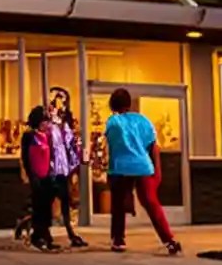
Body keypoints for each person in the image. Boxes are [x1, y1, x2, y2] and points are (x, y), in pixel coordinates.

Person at [104, 88, 182, 255]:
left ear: (112, 105)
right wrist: (156, 170)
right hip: (143, 165)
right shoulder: (143, 120)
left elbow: (112, 148)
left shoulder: (112, 122)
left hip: (121, 167)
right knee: (151, 202)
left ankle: (118, 240)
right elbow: (153, 147)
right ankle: (169, 240)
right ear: (129, 103)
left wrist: (109, 172)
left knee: (118, 204)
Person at [46, 87, 87, 248]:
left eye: (63, 103)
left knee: (64, 200)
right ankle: (44, 232)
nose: (60, 107)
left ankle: (69, 231)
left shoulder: (65, 125)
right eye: (57, 102)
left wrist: (76, 160)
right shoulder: (49, 126)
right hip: (52, 168)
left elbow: (72, 144)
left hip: (64, 168)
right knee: (48, 200)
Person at [19, 105, 57, 251]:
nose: (47, 124)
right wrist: (31, 176)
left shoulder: (47, 136)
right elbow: (26, 157)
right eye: (44, 121)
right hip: (36, 176)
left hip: (46, 175)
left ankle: (44, 235)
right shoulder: (30, 136)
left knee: (47, 208)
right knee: (39, 207)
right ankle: (40, 235)